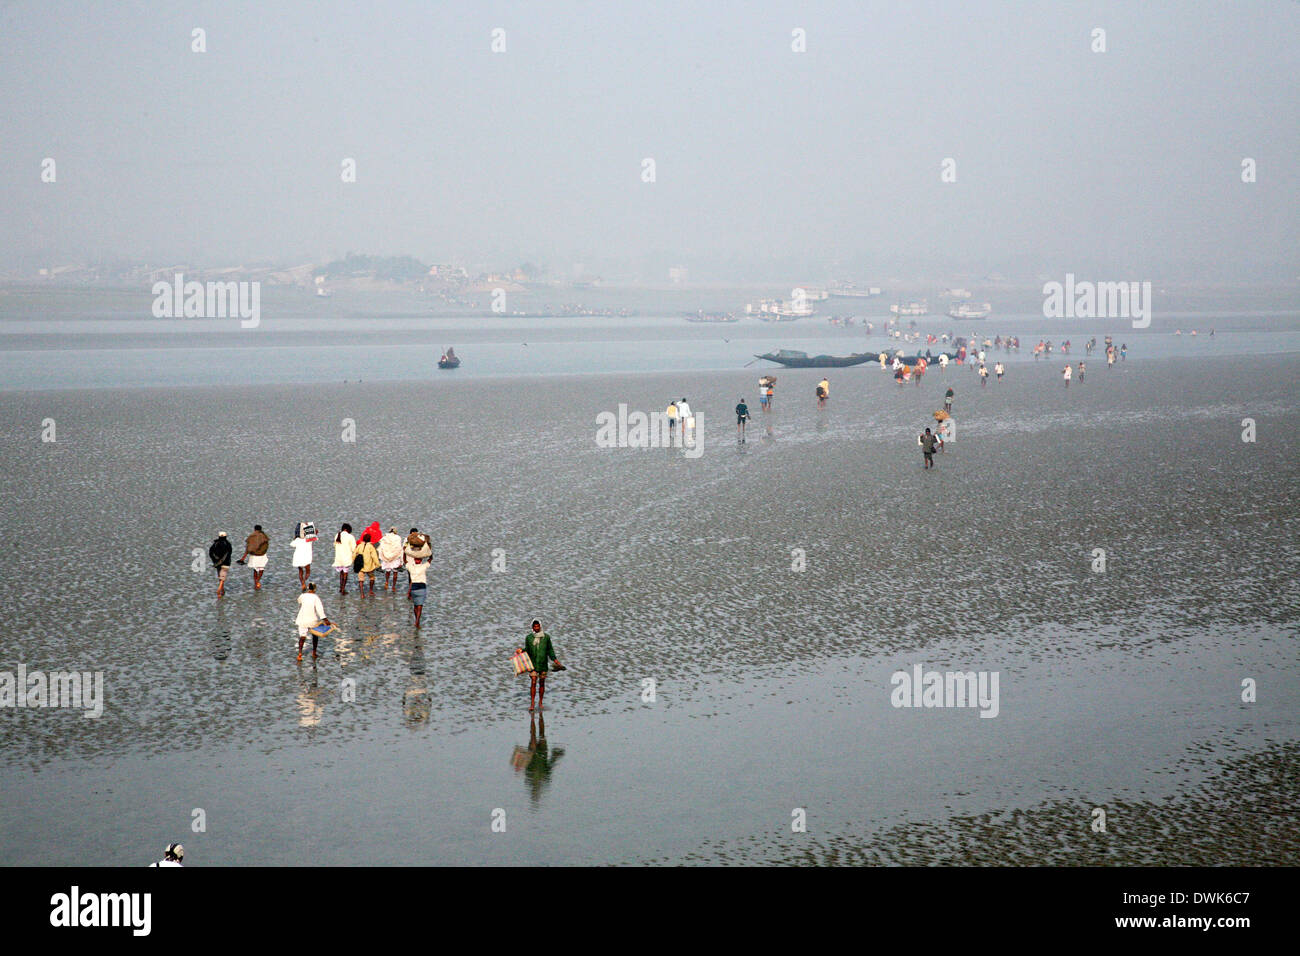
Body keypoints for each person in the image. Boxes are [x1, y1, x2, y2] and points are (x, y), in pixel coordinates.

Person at [517, 618, 564, 712]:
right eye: (535, 626)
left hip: (543, 664)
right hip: (533, 664)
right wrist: (521, 651)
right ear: (532, 627)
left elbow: (550, 650)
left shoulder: (546, 637)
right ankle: (532, 703)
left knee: (542, 683)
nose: (536, 628)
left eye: (538, 626)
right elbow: (528, 649)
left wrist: (555, 661)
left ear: (540, 626)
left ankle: (540, 702)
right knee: (533, 681)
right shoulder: (529, 638)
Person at [295, 582, 330, 662]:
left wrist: (303, 592)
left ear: (308, 588)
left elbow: (298, 601)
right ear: (315, 589)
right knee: (315, 636)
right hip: (312, 620)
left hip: (302, 619)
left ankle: (300, 654)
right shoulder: (316, 598)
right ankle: (314, 652)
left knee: (302, 637)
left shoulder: (303, 596)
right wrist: (325, 619)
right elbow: (320, 610)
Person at [407, 542, 431, 627]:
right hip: (421, 587)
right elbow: (430, 560)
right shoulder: (423, 566)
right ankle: (417, 621)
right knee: (420, 606)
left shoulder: (411, 567)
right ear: (420, 560)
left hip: (414, 587)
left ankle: (416, 620)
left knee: (415, 605)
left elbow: (405, 561)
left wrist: (404, 552)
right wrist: (429, 551)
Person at [239, 524, 270, 590]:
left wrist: (243, 557)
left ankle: (256, 582)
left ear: (255, 529)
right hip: (262, 555)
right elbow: (266, 546)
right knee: (261, 568)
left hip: (254, 555)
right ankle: (258, 581)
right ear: (261, 529)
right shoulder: (264, 536)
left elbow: (248, 548)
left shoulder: (251, 536)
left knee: (255, 570)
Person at [404, 529, 431, 602]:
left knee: (412, 577)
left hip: (411, 561)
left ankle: (410, 592)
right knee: (412, 577)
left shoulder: (409, 541)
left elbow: (405, 549)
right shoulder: (408, 540)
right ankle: (411, 591)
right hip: (411, 561)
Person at [353, 532, 380, 596]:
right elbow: (374, 556)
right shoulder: (371, 547)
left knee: (361, 579)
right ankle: (370, 591)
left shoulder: (359, 545)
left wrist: (352, 561)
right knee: (372, 578)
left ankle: (362, 593)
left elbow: (354, 553)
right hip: (369, 566)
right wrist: (378, 564)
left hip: (360, 565)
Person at [378, 527, 404, 591]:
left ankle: (386, 581)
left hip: (387, 556)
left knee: (388, 571)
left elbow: (381, 547)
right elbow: (399, 548)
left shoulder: (385, 537)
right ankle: (393, 586)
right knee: (395, 572)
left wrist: (382, 557)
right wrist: (401, 561)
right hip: (395, 557)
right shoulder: (398, 538)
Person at [333, 523, 356, 593]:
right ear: (347, 529)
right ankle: (343, 589)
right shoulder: (350, 537)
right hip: (346, 559)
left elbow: (335, 545)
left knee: (341, 573)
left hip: (338, 558)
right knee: (345, 574)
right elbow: (354, 549)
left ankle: (341, 587)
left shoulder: (337, 535)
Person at [208, 532, 232, 597]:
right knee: (223, 576)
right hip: (226, 562)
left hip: (217, 563)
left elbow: (210, 553)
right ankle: (219, 589)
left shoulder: (215, 544)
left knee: (220, 575)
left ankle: (222, 589)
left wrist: (215, 560)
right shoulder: (228, 544)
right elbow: (229, 553)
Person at [291, 525, 313, 590]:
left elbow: (292, 544)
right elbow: (314, 535)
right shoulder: (309, 539)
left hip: (298, 558)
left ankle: (302, 584)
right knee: (308, 572)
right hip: (306, 557)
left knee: (300, 571)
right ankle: (304, 581)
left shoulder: (297, 540)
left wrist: (295, 538)